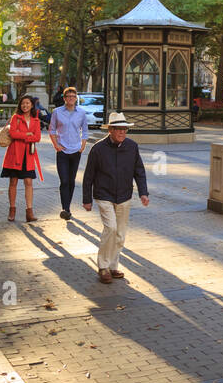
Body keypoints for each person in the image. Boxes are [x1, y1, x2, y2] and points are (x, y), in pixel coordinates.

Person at [81, 112, 149, 284]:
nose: (122, 133)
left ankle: (113, 266)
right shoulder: (98, 149)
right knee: (110, 228)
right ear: (110, 130)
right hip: (104, 195)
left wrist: (143, 192)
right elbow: (88, 176)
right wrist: (86, 199)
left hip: (125, 195)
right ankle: (103, 266)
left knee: (120, 234)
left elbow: (139, 171)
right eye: (118, 129)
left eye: (125, 130)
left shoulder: (132, 147)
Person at [1, 95, 44, 222]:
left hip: (28, 155)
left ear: (32, 105)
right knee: (13, 182)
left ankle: (29, 212)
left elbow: (37, 137)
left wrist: (24, 136)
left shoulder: (36, 120)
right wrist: (27, 135)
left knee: (29, 182)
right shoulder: (16, 118)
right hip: (14, 154)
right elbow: (13, 133)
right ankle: (12, 209)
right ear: (20, 105)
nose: (25, 106)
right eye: (23, 103)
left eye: (27, 103)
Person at [48, 87, 89, 220]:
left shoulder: (81, 113)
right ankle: (65, 208)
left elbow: (85, 131)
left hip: (76, 151)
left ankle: (68, 207)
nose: (71, 98)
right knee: (64, 180)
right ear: (64, 98)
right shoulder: (57, 112)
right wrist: (56, 145)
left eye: (73, 96)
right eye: (68, 96)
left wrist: (82, 147)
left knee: (71, 181)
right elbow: (52, 130)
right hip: (63, 151)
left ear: (76, 98)